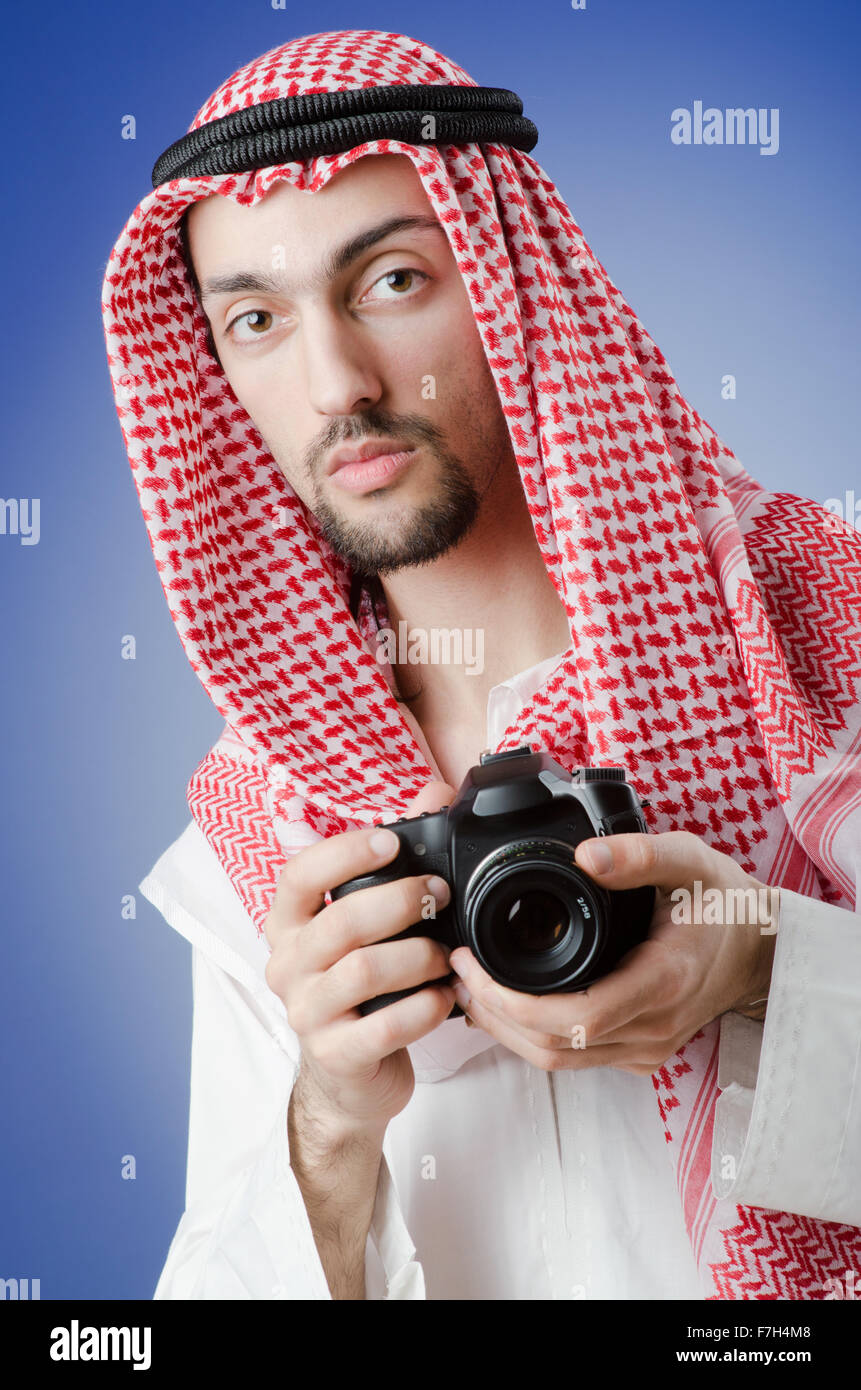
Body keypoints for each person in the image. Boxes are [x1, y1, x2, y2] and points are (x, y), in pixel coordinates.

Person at [102, 29, 861, 1300]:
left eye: (392, 281)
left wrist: (768, 973)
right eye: (255, 319)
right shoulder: (261, 824)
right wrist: (331, 1127)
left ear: (509, 278)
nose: (336, 382)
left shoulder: (827, 626)